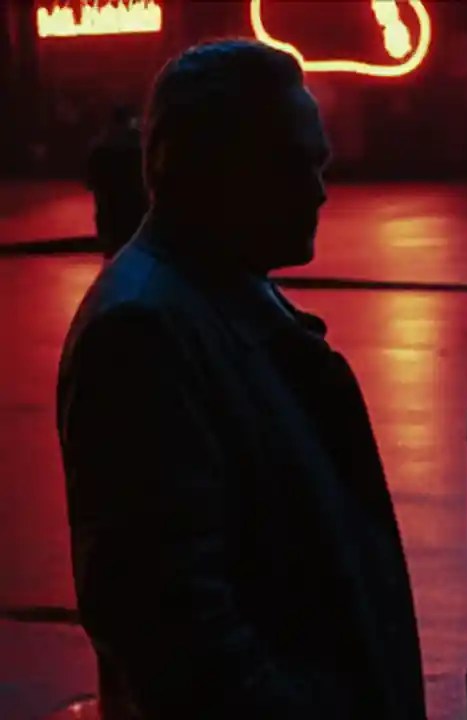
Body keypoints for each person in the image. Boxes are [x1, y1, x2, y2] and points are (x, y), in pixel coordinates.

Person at [56, 40, 425, 720]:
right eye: (294, 163)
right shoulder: (144, 331)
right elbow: (172, 624)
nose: (319, 190)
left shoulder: (208, 299)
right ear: (208, 170)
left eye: (321, 163)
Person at [87, 105, 148, 259]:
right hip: (130, 198)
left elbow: (94, 175)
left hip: (111, 198)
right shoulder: (136, 142)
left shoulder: (103, 142)